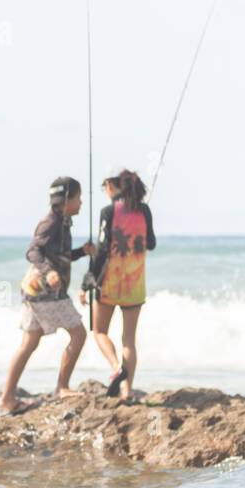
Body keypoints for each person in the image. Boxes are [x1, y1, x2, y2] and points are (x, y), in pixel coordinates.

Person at [0, 176, 96, 416]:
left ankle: (7, 400)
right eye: (78, 197)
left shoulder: (63, 223)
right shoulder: (50, 223)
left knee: (28, 344)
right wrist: (50, 272)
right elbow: (33, 251)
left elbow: (58, 255)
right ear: (66, 200)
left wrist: (81, 253)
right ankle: (62, 387)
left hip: (35, 291)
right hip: (46, 292)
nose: (81, 202)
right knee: (79, 334)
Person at [81, 169, 156, 401]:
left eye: (106, 184)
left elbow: (103, 250)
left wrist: (86, 282)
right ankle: (127, 392)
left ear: (114, 187)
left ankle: (115, 368)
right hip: (135, 285)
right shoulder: (144, 210)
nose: (105, 189)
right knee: (129, 339)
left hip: (110, 283)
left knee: (99, 331)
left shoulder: (108, 211)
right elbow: (150, 243)